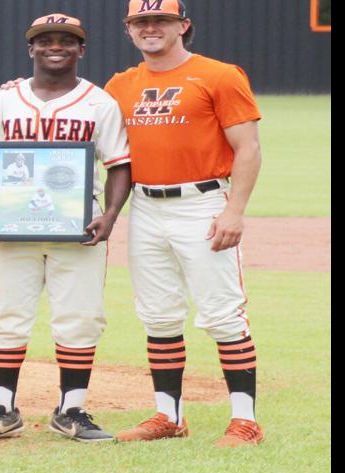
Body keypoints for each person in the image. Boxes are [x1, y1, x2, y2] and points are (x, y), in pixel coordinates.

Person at [0, 12, 132, 443]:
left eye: (66, 40)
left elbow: (118, 165)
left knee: (80, 316)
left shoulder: (100, 103)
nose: (55, 46)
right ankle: (2, 408)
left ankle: (72, 409)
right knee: (3, 314)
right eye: (45, 40)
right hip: (10, 225)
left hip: (78, 227)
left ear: (81, 50)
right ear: (31, 48)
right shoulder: (3, 102)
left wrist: (111, 215)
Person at [105, 0, 265, 446]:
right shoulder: (120, 84)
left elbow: (249, 148)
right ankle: (169, 416)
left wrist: (234, 211)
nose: (150, 27)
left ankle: (245, 421)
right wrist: (17, 89)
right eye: (141, 21)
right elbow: (82, 118)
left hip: (203, 202)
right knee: (158, 314)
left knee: (223, 314)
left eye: (161, 20)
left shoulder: (219, 75)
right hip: (145, 205)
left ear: (183, 25)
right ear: (129, 29)